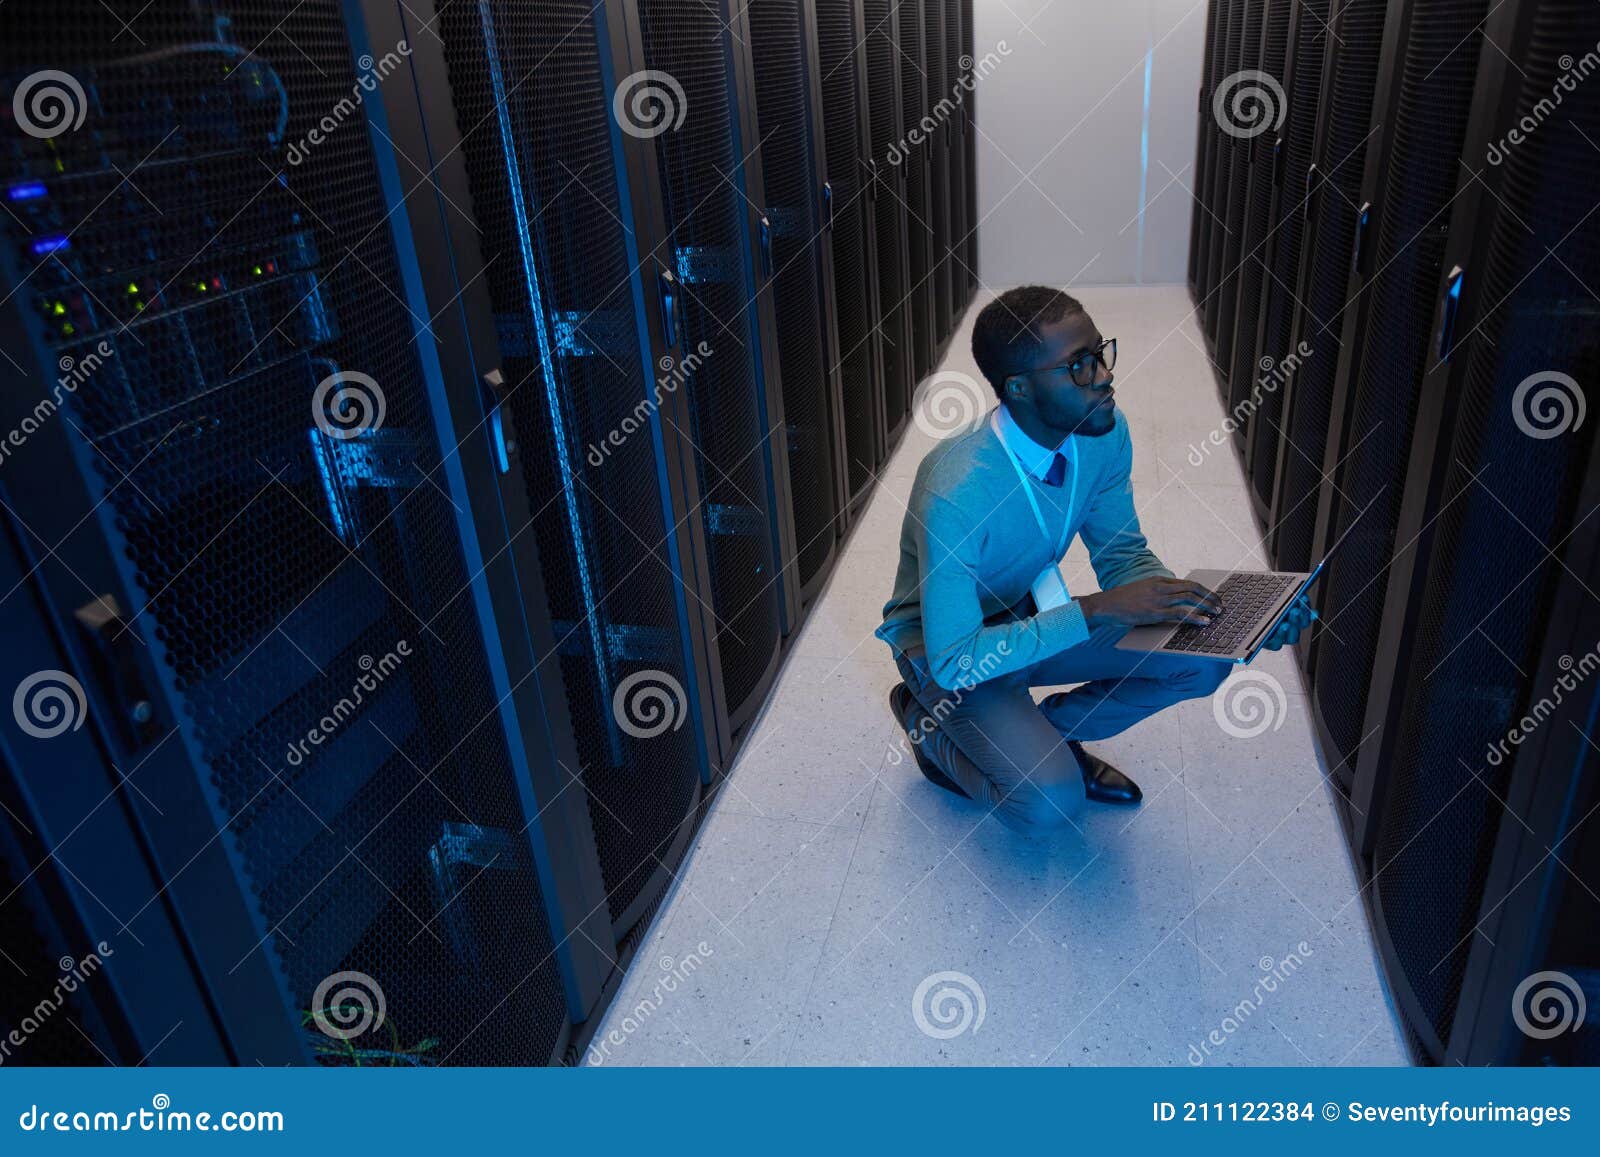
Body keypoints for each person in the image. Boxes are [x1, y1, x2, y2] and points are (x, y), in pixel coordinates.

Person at [877, 286, 1314, 836]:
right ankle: (929, 727)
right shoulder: (957, 491)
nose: (1103, 375)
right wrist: (1095, 612)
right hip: (948, 650)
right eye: (1077, 367)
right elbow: (956, 660)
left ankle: (1054, 733)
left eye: (1099, 353)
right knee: (1047, 805)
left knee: (1203, 661)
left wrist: (1225, 625)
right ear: (1019, 389)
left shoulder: (1101, 433)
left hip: (1030, 616)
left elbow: (1121, 552)